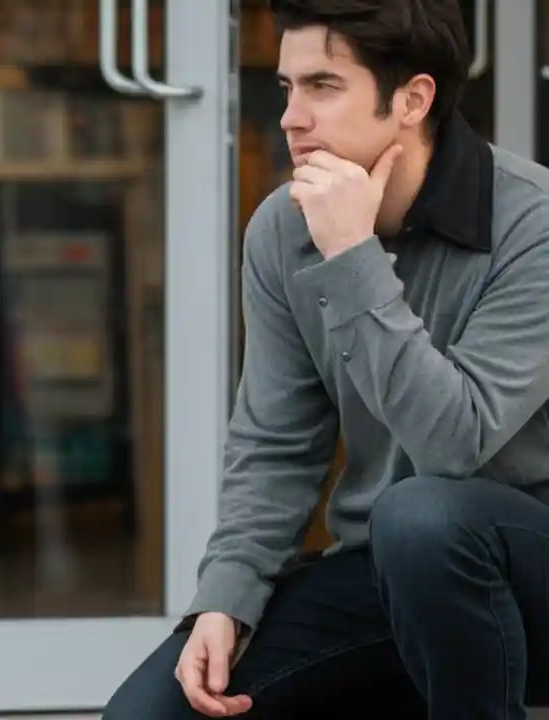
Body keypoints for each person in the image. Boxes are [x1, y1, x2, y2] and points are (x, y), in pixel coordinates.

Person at [103, 1, 549, 718]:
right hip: (386, 574)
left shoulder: (533, 226)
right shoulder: (284, 228)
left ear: (413, 98)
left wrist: (352, 255)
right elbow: (276, 443)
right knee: (149, 714)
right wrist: (226, 597)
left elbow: (454, 443)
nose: (291, 116)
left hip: (525, 571)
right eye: (287, 88)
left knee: (423, 517)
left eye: (323, 86)